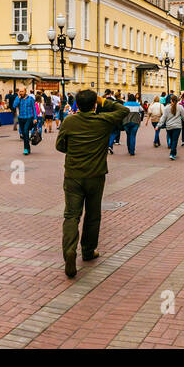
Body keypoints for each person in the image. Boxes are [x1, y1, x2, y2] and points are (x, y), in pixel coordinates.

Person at [56, 89, 128, 278]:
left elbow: (59, 145)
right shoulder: (102, 121)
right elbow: (123, 110)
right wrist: (103, 100)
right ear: (94, 104)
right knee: (93, 214)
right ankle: (88, 251)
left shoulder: (69, 121)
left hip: (73, 175)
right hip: (96, 175)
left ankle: (69, 252)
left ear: (77, 105)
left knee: (71, 215)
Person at [14, 86, 37, 155]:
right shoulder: (18, 98)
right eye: (20, 91)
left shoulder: (31, 99)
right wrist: (18, 97)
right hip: (21, 118)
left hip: (29, 117)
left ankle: (25, 149)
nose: (21, 93)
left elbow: (34, 109)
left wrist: (35, 118)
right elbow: (14, 106)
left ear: (25, 91)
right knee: (24, 134)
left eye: (22, 91)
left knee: (25, 130)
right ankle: (28, 147)